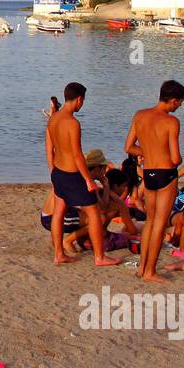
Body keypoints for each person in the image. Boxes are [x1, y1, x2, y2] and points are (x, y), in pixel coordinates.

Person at [123, 80, 184, 281]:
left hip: (148, 173)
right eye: (180, 102)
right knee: (160, 223)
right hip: (166, 174)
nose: (179, 106)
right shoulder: (171, 122)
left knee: (150, 221)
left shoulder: (140, 115)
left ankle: (142, 268)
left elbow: (129, 147)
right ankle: (150, 271)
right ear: (173, 100)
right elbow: (176, 158)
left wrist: (148, 152)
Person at [49, 82, 116, 267]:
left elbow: (50, 147)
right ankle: (100, 257)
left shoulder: (53, 118)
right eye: (83, 100)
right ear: (79, 99)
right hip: (72, 175)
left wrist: (51, 169)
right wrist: (88, 180)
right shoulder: (72, 123)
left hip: (58, 171)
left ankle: (58, 254)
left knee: (59, 212)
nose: (82, 104)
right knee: (94, 213)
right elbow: (78, 155)